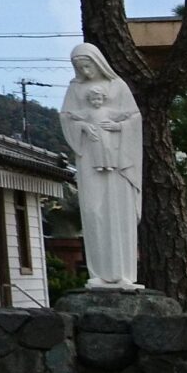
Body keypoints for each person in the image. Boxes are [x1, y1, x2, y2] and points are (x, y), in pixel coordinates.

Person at [61, 42, 143, 289]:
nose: (85, 71)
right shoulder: (75, 89)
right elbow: (67, 117)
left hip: (118, 160)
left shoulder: (118, 86)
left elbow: (134, 117)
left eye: (87, 65)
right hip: (89, 158)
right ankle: (98, 272)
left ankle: (124, 274)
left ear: (97, 62)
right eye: (79, 67)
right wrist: (83, 127)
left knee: (119, 212)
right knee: (94, 211)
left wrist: (119, 127)